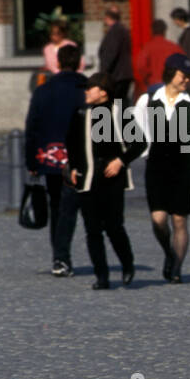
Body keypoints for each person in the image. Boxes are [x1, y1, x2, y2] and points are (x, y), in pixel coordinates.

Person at [133, 53, 190, 283]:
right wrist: (144, 153)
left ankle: (176, 269)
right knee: (158, 219)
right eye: (184, 75)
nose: (187, 80)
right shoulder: (148, 99)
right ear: (171, 73)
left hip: (184, 164)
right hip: (157, 164)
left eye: (189, 77)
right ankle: (169, 253)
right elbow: (137, 130)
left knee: (180, 219)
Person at [63, 73, 143, 289]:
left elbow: (140, 143)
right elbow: (72, 143)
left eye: (90, 88)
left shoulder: (119, 112)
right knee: (92, 230)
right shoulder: (81, 113)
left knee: (114, 227)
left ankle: (128, 264)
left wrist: (121, 161)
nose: (86, 91)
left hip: (112, 179)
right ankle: (102, 276)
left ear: (103, 91)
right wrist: (73, 167)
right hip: (87, 178)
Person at [24, 43, 87, 276]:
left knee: (57, 206)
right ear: (80, 62)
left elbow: (32, 127)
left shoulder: (44, 90)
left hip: (49, 157)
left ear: (58, 63)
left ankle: (59, 257)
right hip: (78, 158)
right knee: (71, 208)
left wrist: (32, 162)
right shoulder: (87, 89)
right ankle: (62, 256)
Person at [96, 6, 133, 104]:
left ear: (107, 17)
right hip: (123, 75)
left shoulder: (115, 31)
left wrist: (102, 74)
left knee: (116, 105)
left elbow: (111, 54)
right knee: (122, 104)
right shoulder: (123, 30)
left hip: (116, 76)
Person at [134, 19, 180, 92]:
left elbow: (141, 66)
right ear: (165, 31)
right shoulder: (173, 47)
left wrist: (147, 78)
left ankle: (117, 103)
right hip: (171, 85)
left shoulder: (148, 48)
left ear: (151, 31)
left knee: (118, 98)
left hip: (154, 84)